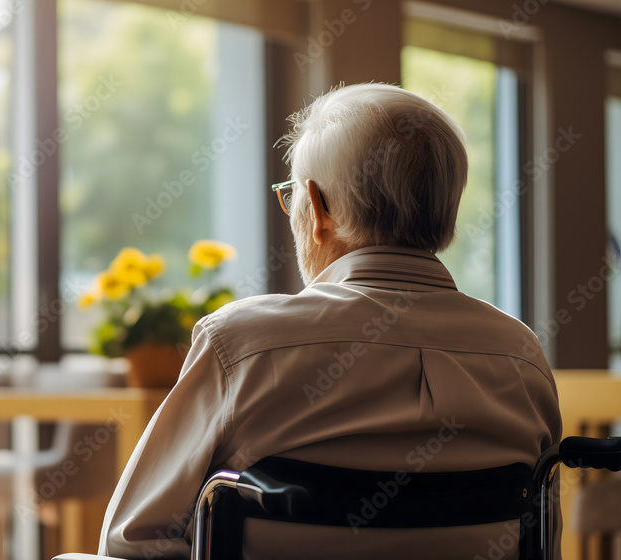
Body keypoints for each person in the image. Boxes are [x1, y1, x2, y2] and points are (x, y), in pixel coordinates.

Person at [98, 83, 561, 559]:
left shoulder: (241, 344)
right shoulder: (522, 356)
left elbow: (130, 545)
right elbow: (543, 543)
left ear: (319, 210)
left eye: (290, 196)